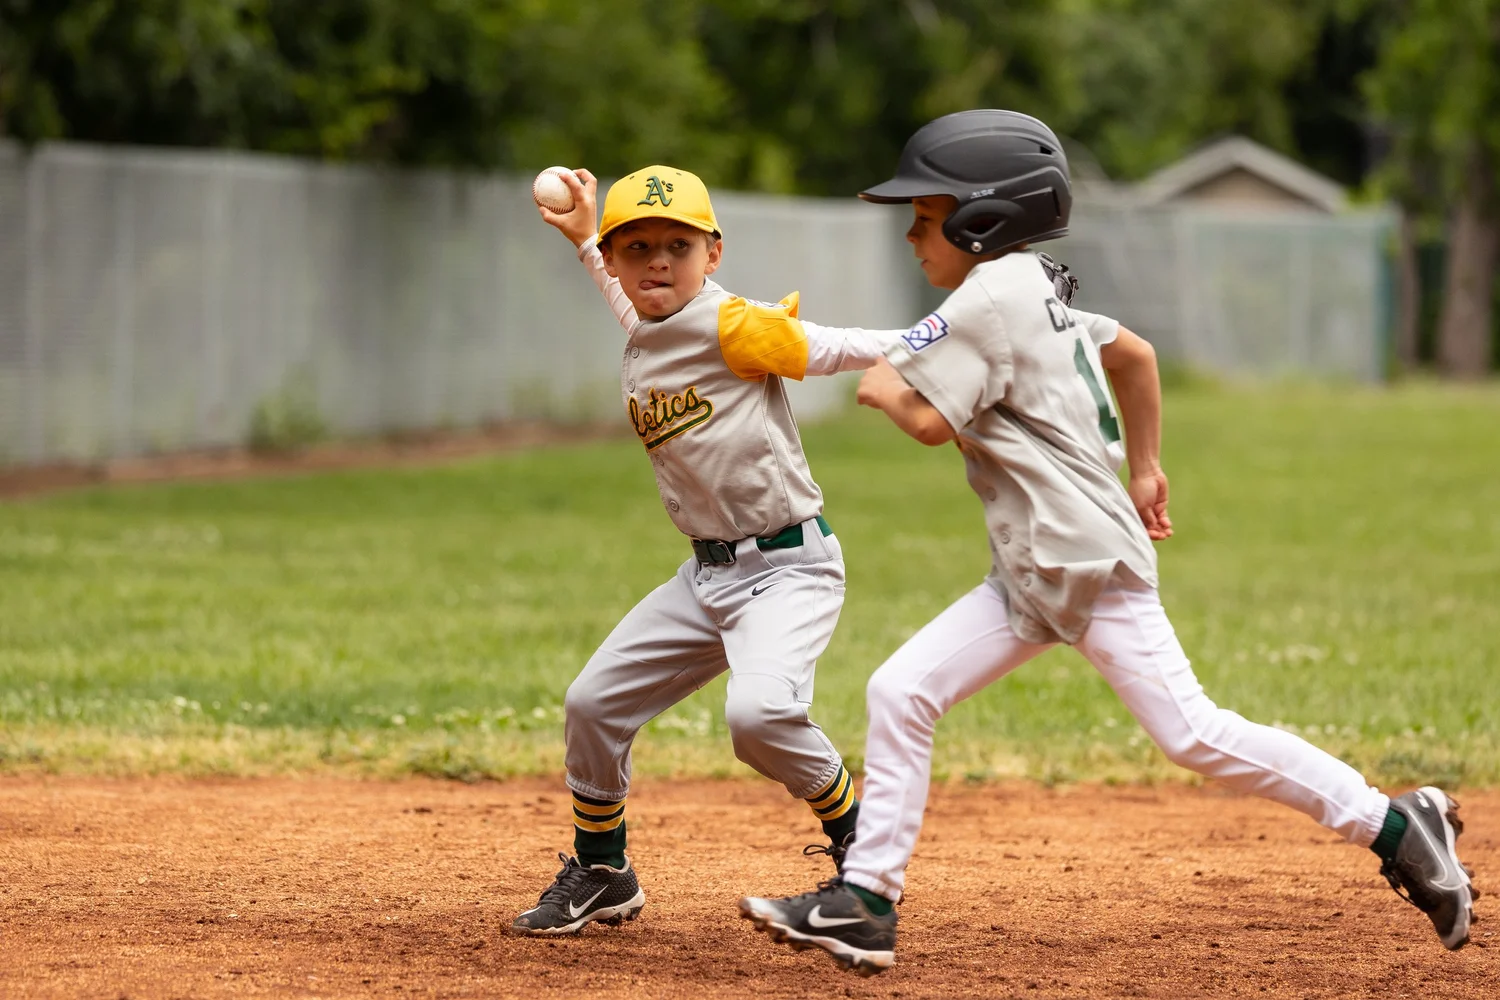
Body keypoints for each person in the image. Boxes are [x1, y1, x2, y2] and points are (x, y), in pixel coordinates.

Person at [737, 110, 1478, 974]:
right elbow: (1136, 354)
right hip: (1043, 563)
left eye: (925, 217)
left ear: (983, 221)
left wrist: (876, 388)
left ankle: (1396, 825)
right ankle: (865, 904)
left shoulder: (985, 297)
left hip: (1075, 558)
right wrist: (1147, 467)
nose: (910, 235)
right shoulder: (1035, 283)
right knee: (903, 691)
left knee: (1193, 732)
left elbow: (929, 422)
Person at [511, 165, 905, 935]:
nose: (658, 261)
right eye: (639, 247)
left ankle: (861, 846)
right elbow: (636, 309)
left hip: (790, 567)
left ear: (712, 254)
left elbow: (832, 346)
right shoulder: (652, 325)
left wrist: (938, 337)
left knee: (758, 718)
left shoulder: (732, 324)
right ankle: (603, 868)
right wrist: (586, 239)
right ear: (621, 261)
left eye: (677, 245)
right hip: (708, 576)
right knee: (592, 704)